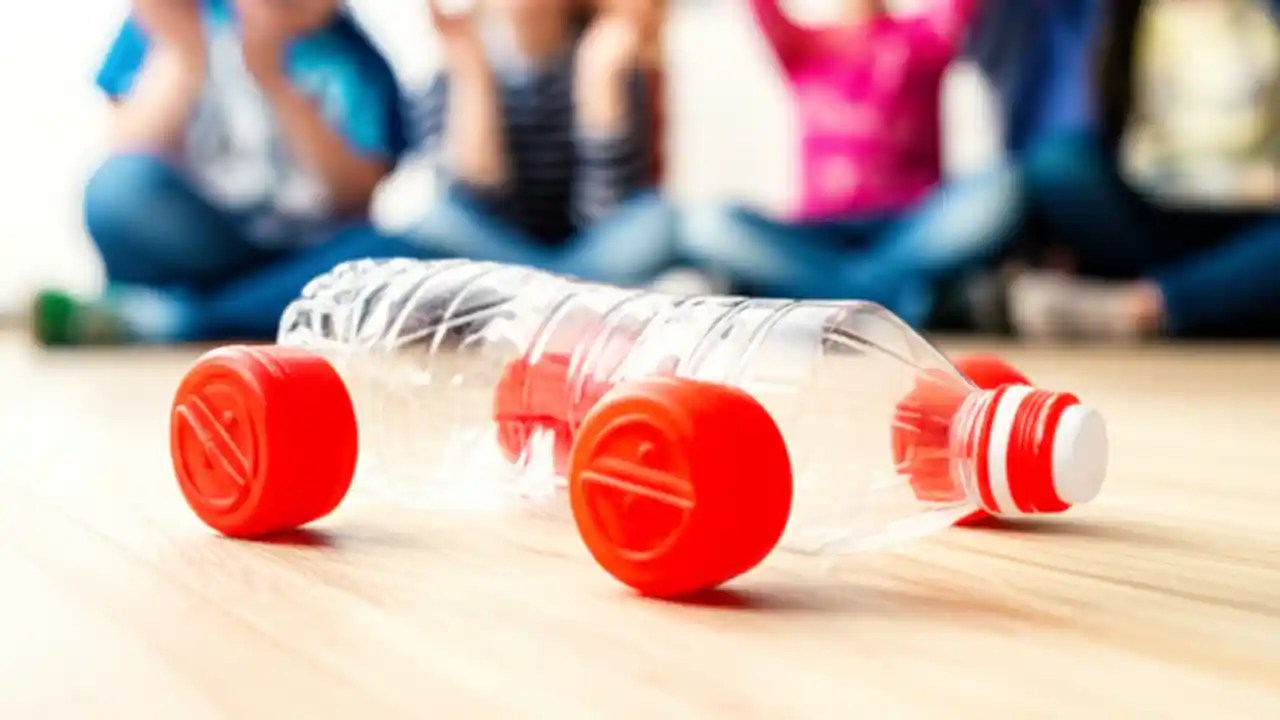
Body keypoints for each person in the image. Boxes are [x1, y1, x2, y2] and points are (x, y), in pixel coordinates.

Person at [34, 0, 421, 345]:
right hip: (198, 240)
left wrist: (274, 80)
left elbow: (355, 199)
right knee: (116, 192)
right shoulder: (174, 16)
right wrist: (186, 54)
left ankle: (173, 319)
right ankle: (231, 309)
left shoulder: (358, 63)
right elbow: (129, 147)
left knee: (393, 257)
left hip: (297, 255)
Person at [680, 0, 1021, 328]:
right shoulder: (803, 46)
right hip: (816, 236)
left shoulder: (924, 37)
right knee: (709, 223)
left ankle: (817, 296)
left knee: (1002, 187)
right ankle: (896, 299)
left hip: (908, 229)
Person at [1012, 0, 1280, 340]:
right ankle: (1220, 293)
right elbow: (1108, 117)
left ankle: (1144, 309)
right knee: (1057, 164)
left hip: (1258, 215)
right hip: (1155, 209)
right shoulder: (1130, 11)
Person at [404, 0, 674, 287]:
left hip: (588, 255)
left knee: (655, 216)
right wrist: (474, 80)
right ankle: (561, 289)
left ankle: (547, 289)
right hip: (497, 255)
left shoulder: (607, 59)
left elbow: (605, 218)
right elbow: (479, 209)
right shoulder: (452, 62)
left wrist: (601, 84)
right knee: (437, 218)